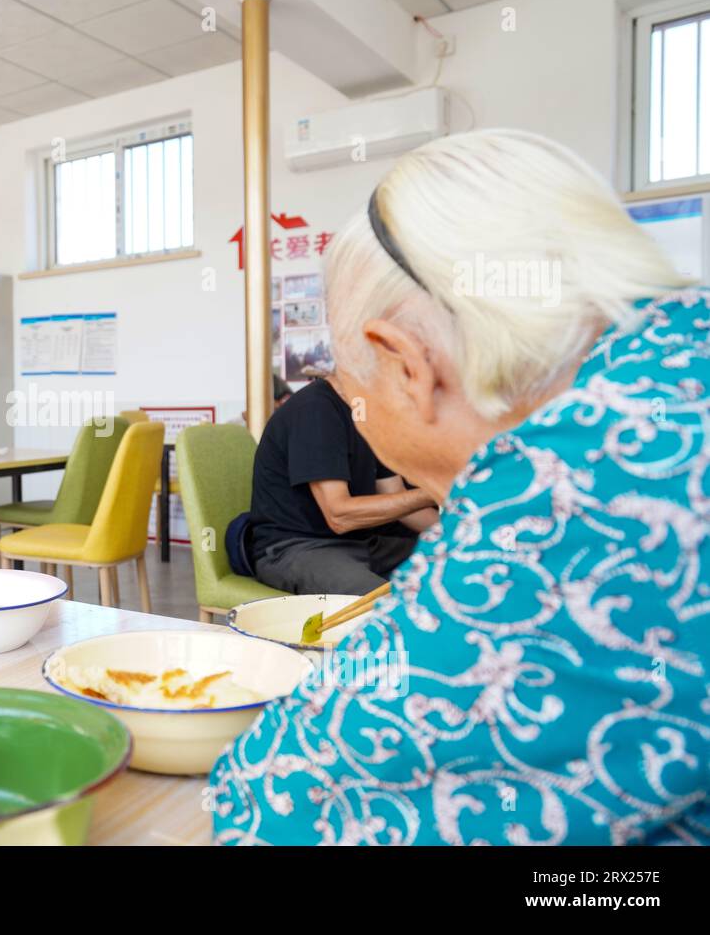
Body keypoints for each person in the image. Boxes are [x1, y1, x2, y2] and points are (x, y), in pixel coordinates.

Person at [211, 128, 708, 845]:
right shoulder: (668, 374)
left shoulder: (572, 494)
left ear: (405, 362)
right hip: (292, 543)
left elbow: (271, 806)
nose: (364, 418)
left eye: (363, 394)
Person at [247, 371, 438, 595]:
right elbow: (339, 515)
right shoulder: (315, 410)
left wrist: (463, 528)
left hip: (358, 543)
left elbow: (396, 495)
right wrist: (433, 491)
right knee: (387, 604)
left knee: (448, 560)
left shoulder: (366, 412)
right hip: (296, 548)